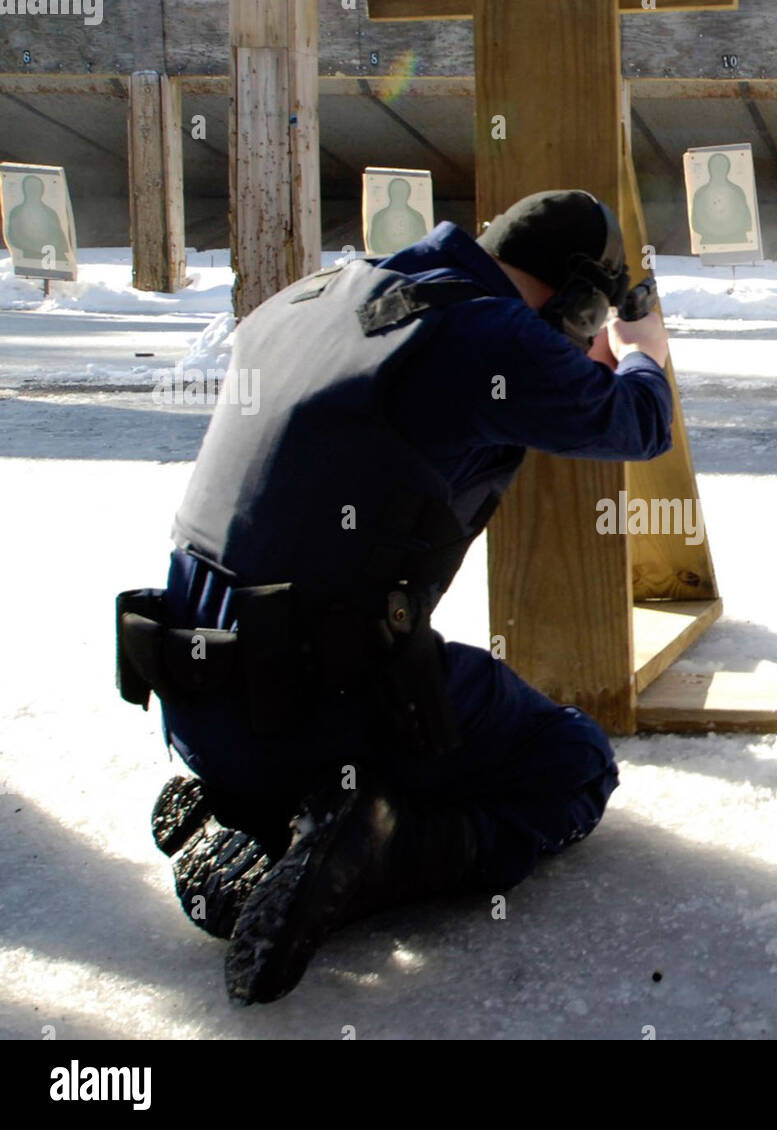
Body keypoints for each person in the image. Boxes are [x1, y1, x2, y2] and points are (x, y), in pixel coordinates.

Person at [116, 190, 673, 1005]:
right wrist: (639, 348)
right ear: (582, 297)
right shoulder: (488, 329)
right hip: (316, 694)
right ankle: (379, 848)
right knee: (573, 763)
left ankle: (262, 810)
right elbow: (638, 423)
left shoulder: (313, 297)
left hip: (194, 688)